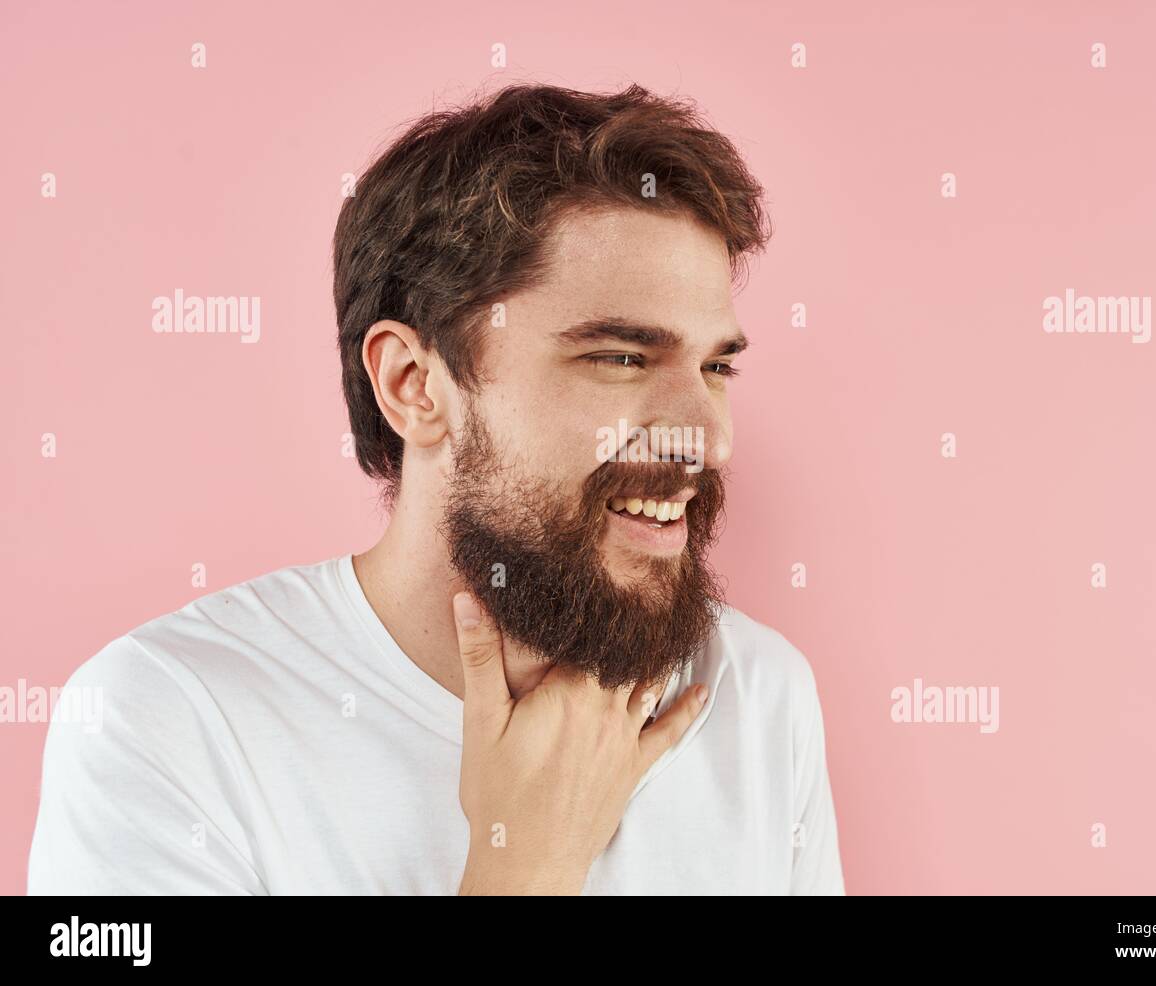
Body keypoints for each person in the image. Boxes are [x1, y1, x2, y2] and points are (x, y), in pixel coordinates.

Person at [27, 83, 845, 895]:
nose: (707, 437)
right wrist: (524, 865)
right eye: (621, 358)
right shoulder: (166, 719)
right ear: (415, 385)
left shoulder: (757, 692)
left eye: (716, 366)